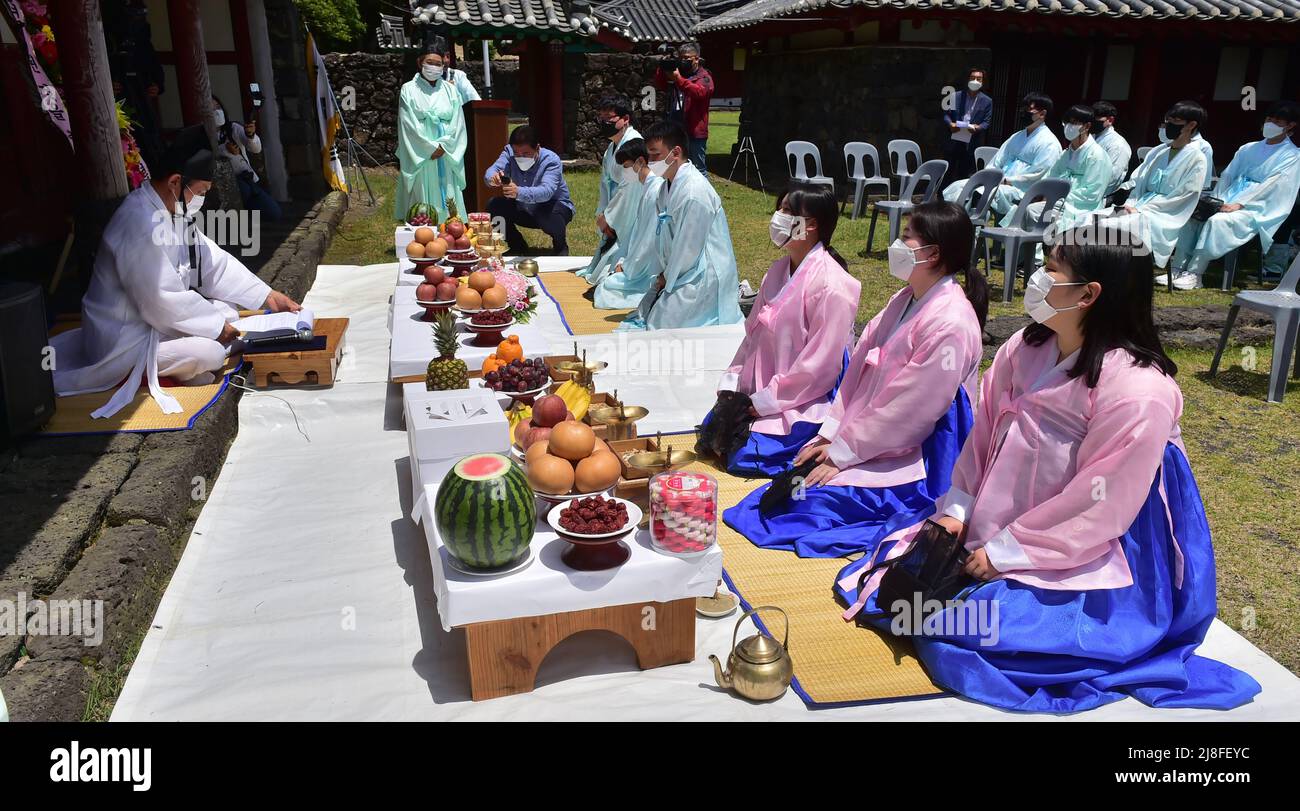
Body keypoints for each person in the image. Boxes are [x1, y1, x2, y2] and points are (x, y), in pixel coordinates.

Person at [835, 225, 1261, 713]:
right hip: (1003, 519)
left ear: (1088, 294)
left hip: (1089, 546)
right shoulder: (1027, 346)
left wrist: (1009, 552)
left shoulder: (1138, 390)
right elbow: (984, 433)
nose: (1037, 278)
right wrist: (959, 508)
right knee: (905, 593)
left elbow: (1100, 504)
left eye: (1050, 269)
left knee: (958, 628)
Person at [725, 201, 987, 558]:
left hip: (913, 450)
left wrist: (843, 454)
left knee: (802, 507)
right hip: (865, 434)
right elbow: (858, 371)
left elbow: (909, 410)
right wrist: (831, 435)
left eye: (906, 237)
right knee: (786, 483)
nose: (896, 244)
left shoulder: (951, 322)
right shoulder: (905, 298)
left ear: (933, 253)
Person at [51, 126, 301, 419]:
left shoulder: (172, 210)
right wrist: (217, 329)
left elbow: (212, 263)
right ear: (174, 182)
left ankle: (191, 362)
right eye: (201, 192)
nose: (202, 200)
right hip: (123, 340)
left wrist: (266, 296)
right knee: (208, 353)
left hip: (151, 322)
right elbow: (161, 298)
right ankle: (151, 372)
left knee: (227, 310)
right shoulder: (139, 221)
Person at [700, 182, 860, 476]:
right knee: (712, 436)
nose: (778, 217)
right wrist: (733, 385)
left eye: (787, 211)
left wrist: (765, 402)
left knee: (743, 456)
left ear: (810, 225)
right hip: (758, 387)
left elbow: (819, 367)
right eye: (780, 209)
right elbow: (752, 336)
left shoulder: (835, 286)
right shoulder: (776, 271)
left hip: (803, 395)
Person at [621, 122, 743, 331]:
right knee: (648, 314)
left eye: (655, 155)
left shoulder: (694, 192)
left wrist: (667, 277)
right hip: (676, 269)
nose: (651, 162)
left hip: (701, 271)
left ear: (675, 152)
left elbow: (689, 248)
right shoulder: (665, 187)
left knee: (662, 324)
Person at [1166, 101, 1300, 290]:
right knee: (1195, 216)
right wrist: (1217, 200)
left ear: (1290, 125)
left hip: (1259, 207)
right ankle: (1178, 268)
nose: (1271, 124)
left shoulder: (1293, 155)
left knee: (1217, 221)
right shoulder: (1248, 148)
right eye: (1269, 119)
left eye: (1278, 121)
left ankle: (1196, 273)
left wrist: (1240, 204)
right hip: (1228, 198)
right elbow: (1228, 174)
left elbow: (1274, 184)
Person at [1107, 102, 1209, 271]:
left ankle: (1122, 269)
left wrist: (1143, 209)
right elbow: (1139, 182)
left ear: (1191, 125)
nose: (1169, 124)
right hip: (1139, 206)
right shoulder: (1158, 152)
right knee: (1096, 217)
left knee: (1126, 224)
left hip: (1165, 213)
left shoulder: (1197, 158)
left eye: (1175, 120)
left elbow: (1183, 196)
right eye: (1168, 119)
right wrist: (1131, 204)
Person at [942, 92, 1061, 219]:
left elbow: (1038, 174)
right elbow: (997, 161)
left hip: (1020, 189)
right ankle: (952, 224)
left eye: (1028, 109)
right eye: (1023, 108)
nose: (1023, 112)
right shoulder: (1016, 137)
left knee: (981, 193)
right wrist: (988, 177)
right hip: (999, 182)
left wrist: (1007, 181)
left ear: (1042, 114)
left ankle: (969, 227)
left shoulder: (1050, 143)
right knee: (960, 186)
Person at [394, 37, 468, 224]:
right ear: (420, 62)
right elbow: (407, 124)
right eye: (430, 62)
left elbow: (458, 123)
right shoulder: (408, 90)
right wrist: (429, 148)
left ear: (444, 64)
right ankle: (421, 232)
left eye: (438, 63)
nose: (434, 67)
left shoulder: (451, 91)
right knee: (421, 193)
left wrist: (443, 145)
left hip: (445, 151)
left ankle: (449, 231)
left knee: (448, 191)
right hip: (422, 154)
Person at [592, 138, 663, 309]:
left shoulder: (654, 190)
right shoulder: (646, 187)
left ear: (640, 161)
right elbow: (639, 233)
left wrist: (628, 266)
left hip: (650, 265)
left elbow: (649, 239)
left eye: (626, 166)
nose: (624, 171)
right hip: (639, 259)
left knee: (607, 289)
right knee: (605, 278)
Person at [578, 96, 641, 284]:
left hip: (632, 206)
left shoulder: (634, 143)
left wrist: (610, 216)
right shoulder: (611, 148)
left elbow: (631, 186)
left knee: (612, 272)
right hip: (616, 201)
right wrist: (603, 211)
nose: (604, 123)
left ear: (625, 119)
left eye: (609, 119)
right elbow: (605, 183)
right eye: (601, 119)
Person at [484, 125, 573, 255]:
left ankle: (560, 246)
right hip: (523, 208)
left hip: (553, 209)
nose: (520, 157)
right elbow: (490, 172)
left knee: (550, 213)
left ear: (537, 148)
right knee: (493, 205)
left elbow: (546, 192)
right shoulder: (508, 152)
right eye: (516, 153)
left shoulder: (551, 160)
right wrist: (493, 178)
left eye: (526, 153)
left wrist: (518, 192)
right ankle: (516, 245)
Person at [1032, 104, 1112, 234]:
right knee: (1028, 208)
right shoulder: (1066, 153)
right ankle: (1028, 250)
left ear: (1086, 126)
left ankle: (1036, 251)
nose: (1069, 126)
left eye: (1074, 123)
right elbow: (1051, 175)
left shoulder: (1097, 156)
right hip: (1059, 201)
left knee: (1033, 212)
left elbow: (1092, 193)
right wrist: (1043, 192)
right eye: (1067, 122)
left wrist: (1058, 197)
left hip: (1080, 207)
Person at [212, 96, 281, 221]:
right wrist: (225, 151)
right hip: (224, 185)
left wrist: (251, 135)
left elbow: (255, 148)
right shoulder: (204, 134)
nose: (216, 111)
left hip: (247, 179)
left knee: (274, 213)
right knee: (243, 191)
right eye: (211, 109)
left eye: (217, 107)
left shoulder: (232, 128)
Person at [655, 42, 714, 174]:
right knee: (675, 164)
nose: (683, 61)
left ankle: (702, 194)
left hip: (694, 130)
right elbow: (661, 85)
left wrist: (679, 79)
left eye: (687, 58)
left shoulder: (704, 77)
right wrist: (663, 67)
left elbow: (699, 92)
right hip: (675, 125)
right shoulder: (679, 73)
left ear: (697, 59)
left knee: (698, 168)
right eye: (681, 58)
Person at [942, 68, 993, 187]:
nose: (975, 81)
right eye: (972, 78)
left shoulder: (987, 101)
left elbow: (986, 122)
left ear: (983, 82)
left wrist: (977, 127)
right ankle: (941, 199)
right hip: (954, 136)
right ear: (968, 80)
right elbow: (946, 115)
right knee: (948, 170)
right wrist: (950, 124)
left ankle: (960, 201)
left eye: (978, 79)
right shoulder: (955, 96)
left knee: (964, 172)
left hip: (971, 140)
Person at [1090, 101, 1132, 198]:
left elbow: (1112, 177)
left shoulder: (1117, 144)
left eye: (1097, 119)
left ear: (1110, 120)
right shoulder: (1090, 137)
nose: (1093, 122)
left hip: (1100, 196)